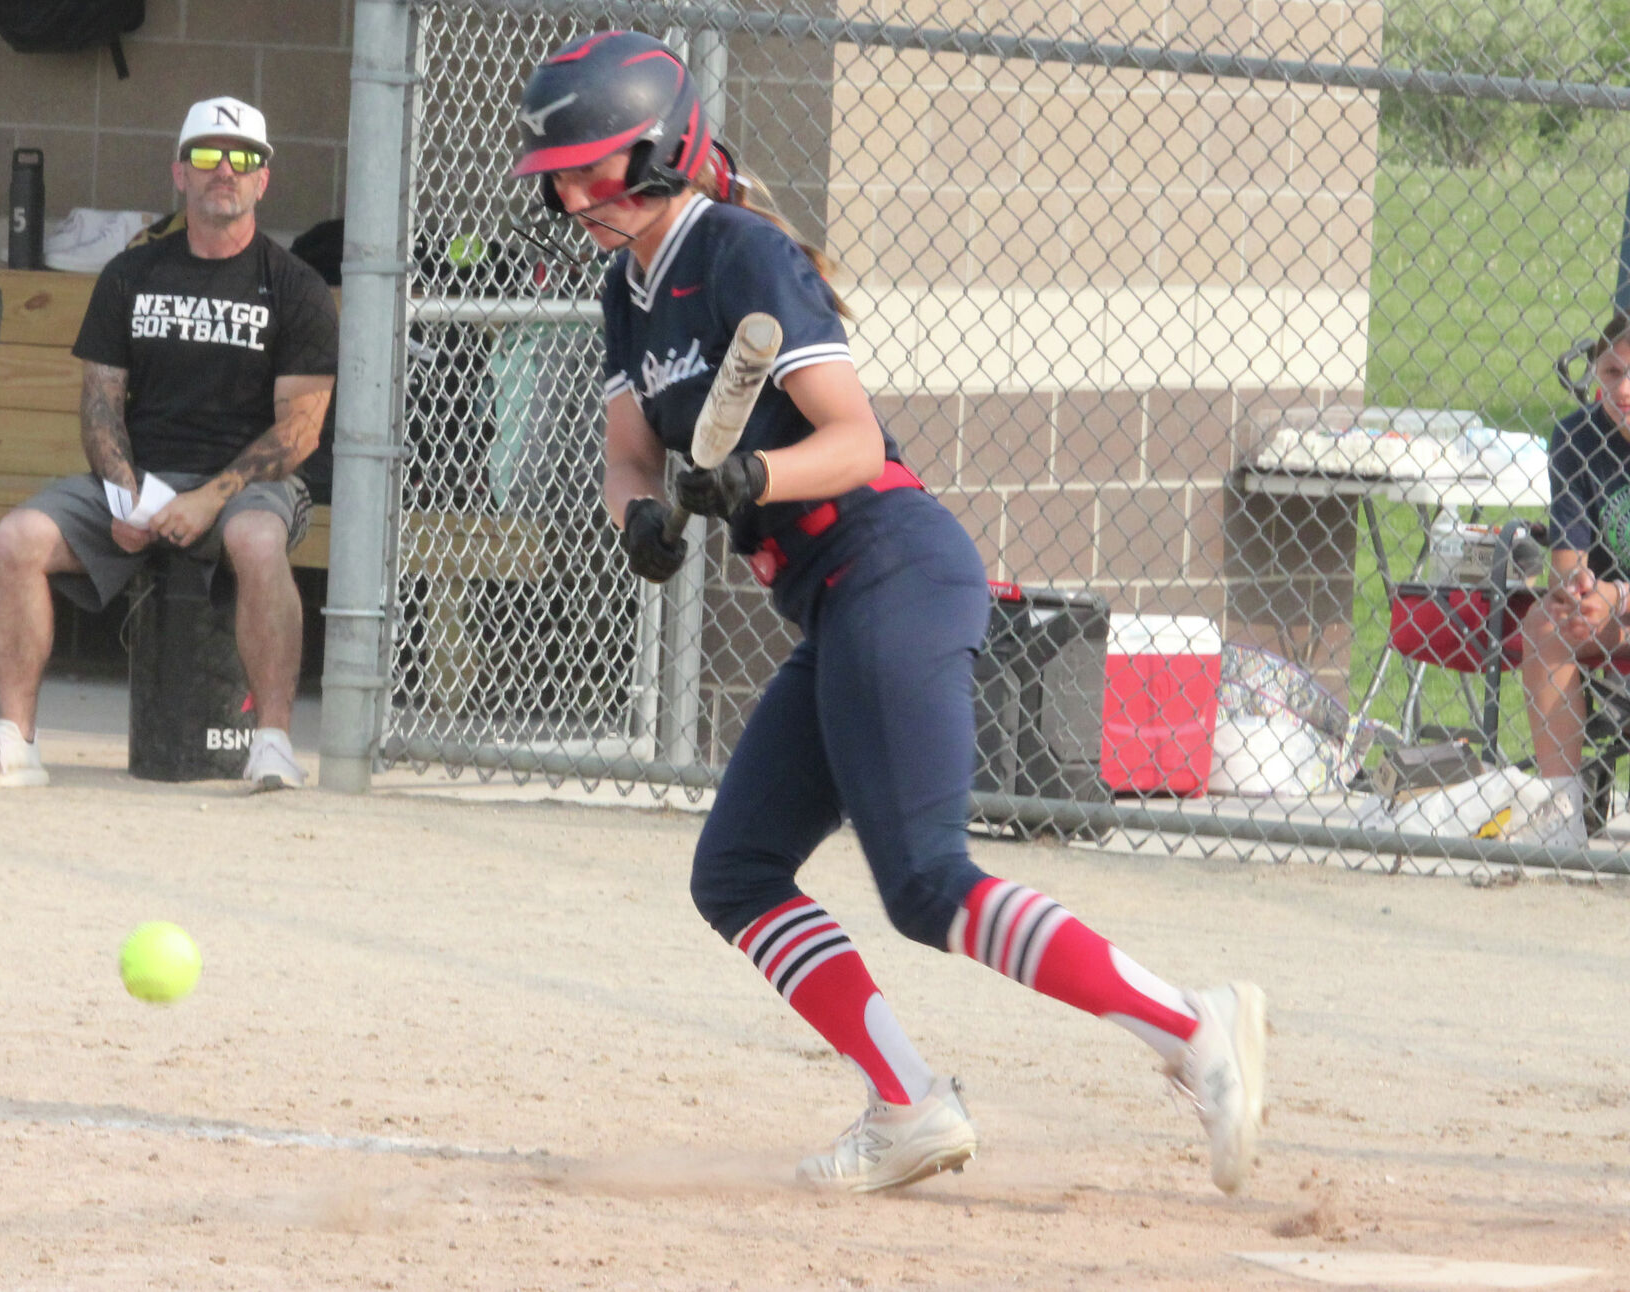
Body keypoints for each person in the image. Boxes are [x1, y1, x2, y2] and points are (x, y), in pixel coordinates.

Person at [511, 31, 1265, 1194]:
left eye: (593, 170)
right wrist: (643, 523)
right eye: (558, 176)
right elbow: (627, 454)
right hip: (834, 602)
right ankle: (908, 1101)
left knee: (923, 880)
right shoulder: (628, 288)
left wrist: (752, 481)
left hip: (891, 564)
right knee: (737, 870)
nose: (571, 195)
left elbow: (853, 442)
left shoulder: (741, 252)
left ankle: (1189, 1026)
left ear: (662, 154)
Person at [0, 96, 336, 791]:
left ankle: (272, 743)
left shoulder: (295, 287)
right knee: (17, 538)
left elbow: (300, 427)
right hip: (139, 480)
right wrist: (125, 494)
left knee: (257, 543)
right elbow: (100, 403)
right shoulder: (131, 274)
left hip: (246, 489)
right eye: (207, 156)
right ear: (179, 173)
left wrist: (209, 498)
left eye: (243, 158)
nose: (225, 171)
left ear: (264, 180)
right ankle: (15, 741)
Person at [1517, 311, 1630, 847]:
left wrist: (1617, 595)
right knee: (1545, 622)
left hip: (1621, 604)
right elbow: (1568, 555)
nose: (1623, 389)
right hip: (1607, 614)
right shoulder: (1576, 435)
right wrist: (1576, 590)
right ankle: (1561, 813)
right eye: (1611, 372)